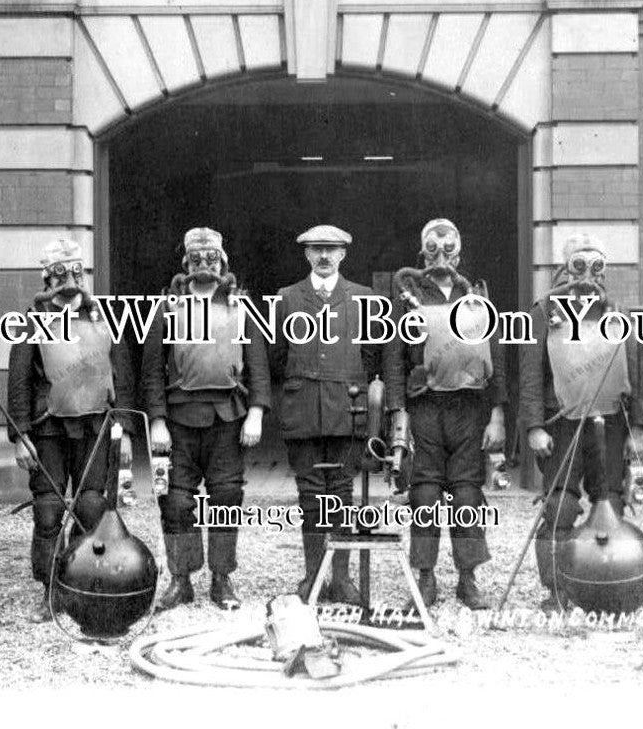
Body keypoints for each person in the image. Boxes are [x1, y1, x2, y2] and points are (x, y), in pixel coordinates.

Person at [141, 227, 270, 610]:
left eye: (212, 258)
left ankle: (221, 578)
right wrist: (157, 421)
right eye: (197, 258)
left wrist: (257, 414)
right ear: (186, 262)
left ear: (223, 261)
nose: (204, 265)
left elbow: (259, 367)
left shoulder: (241, 307)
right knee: (176, 500)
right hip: (179, 419)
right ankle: (181, 579)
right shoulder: (166, 308)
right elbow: (151, 372)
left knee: (227, 496)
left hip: (228, 417)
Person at [6, 239, 135, 622]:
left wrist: (125, 430)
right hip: (47, 432)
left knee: (90, 507)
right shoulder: (31, 322)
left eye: (77, 272)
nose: (71, 281)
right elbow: (17, 383)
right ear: (48, 279)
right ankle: (48, 592)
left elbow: (123, 380)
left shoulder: (107, 320)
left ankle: (82, 585)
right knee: (48, 510)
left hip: (95, 428)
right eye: (61, 274)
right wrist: (20, 436)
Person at [517, 234, 643, 612]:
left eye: (596, 265)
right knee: (561, 506)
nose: (587, 274)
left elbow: (636, 373)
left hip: (610, 423)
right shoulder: (542, 314)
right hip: (561, 424)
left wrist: (636, 430)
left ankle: (609, 585)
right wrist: (534, 427)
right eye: (578, 265)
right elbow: (529, 376)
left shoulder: (619, 315)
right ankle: (557, 589)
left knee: (611, 504)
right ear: (564, 267)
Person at [272, 225, 395, 606]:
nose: (324, 256)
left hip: (349, 408)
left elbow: (375, 355)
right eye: (316, 250)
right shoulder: (287, 299)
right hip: (303, 408)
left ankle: (340, 579)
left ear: (344, 254)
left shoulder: (365, 299)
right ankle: (314, 575)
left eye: (332, 250)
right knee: (310, 494)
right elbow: (277, 358)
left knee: (340, 492)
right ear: (306, 254)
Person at [388, 218, 506, 610]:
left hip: (469, 407)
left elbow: (498, 355)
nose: (442, 255)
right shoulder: (407, 295)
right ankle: (425, 578)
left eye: (449, 248)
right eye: (433, 248)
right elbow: (393, 356)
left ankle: (468, 578)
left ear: (460, 251)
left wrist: (497, 415)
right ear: (422, 252)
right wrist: (397, 410)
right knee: (424, 492)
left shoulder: (476, 295)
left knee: (468, 492)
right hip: (425, 406)